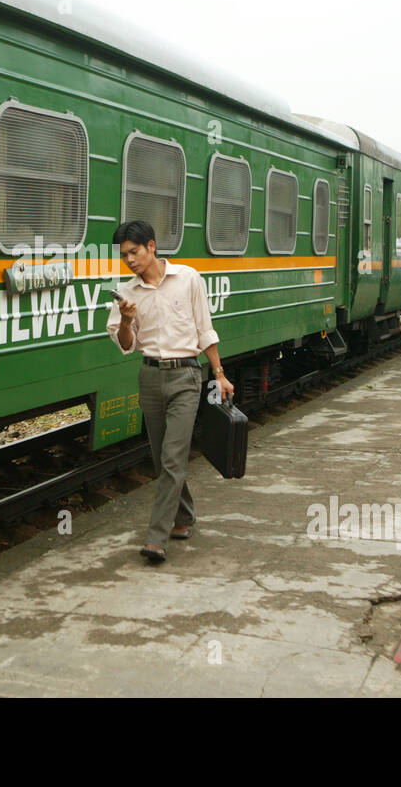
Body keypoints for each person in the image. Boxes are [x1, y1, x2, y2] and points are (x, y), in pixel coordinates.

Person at [106, 220, 234, 564]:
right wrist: (127, 320)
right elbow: (125, 345)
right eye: (124, 255)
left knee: (173, 457)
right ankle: (185, 516)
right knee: (162, 455)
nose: (130, 260)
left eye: (134, 252)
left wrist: (219, 374)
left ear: (151, 246)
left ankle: (156, 538)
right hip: (149, 377)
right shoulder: (126, 294)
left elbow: (204, 329)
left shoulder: (188, 278)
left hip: (186, 378)